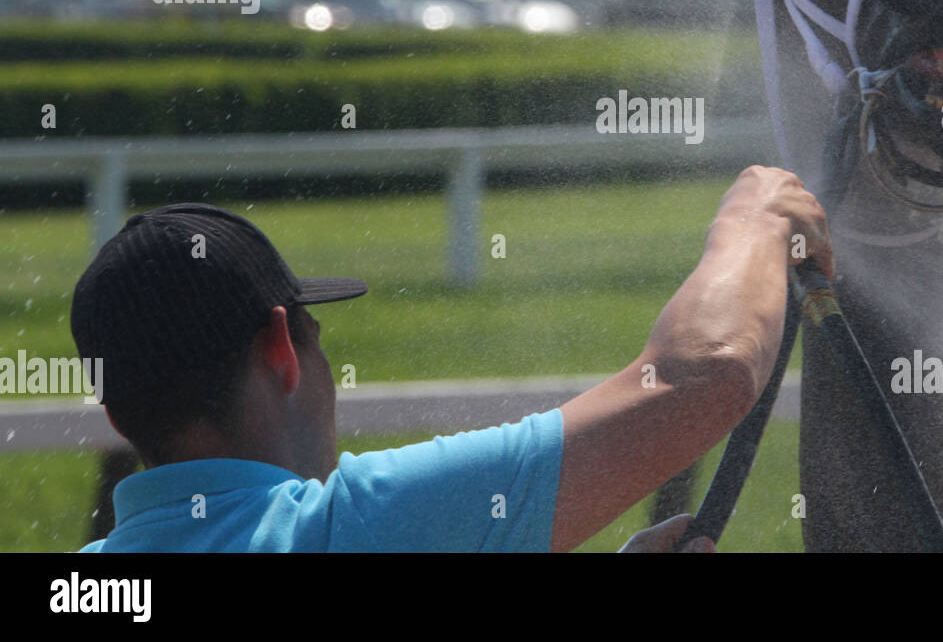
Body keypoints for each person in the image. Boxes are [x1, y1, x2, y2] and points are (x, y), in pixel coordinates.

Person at [70, 165, 831, 552]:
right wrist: (754, 219)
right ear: (281, 350)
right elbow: (705, 376)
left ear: (113, 408)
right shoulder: (358, 525)